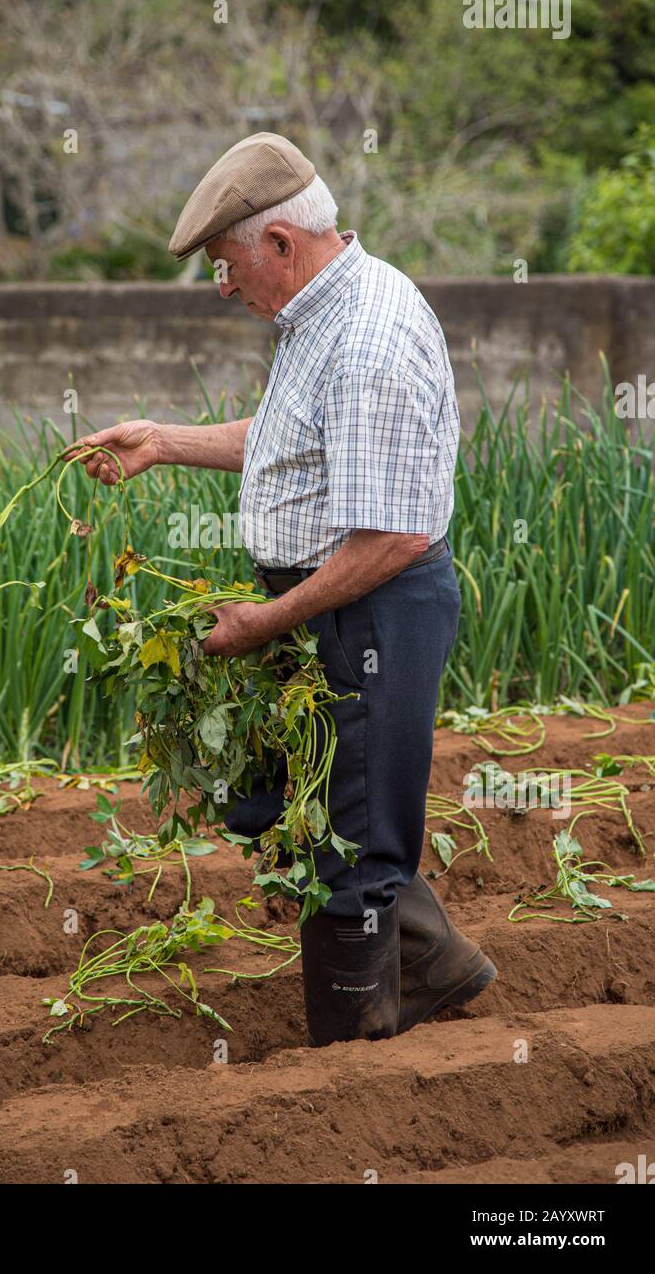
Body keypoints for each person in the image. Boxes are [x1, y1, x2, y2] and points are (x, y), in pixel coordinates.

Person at [65, 132, 496, 1046]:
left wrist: (266, 621)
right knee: (281, 797)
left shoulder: (368, 337)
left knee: (351, 843)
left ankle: (352, 1046)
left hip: (370, 605)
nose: (222, 285)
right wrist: (163, 441)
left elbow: (391, 535)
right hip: (326, 604)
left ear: (280, 246)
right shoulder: (319, 316)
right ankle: (434, 961)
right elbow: (288, 439)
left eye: (225, 263)